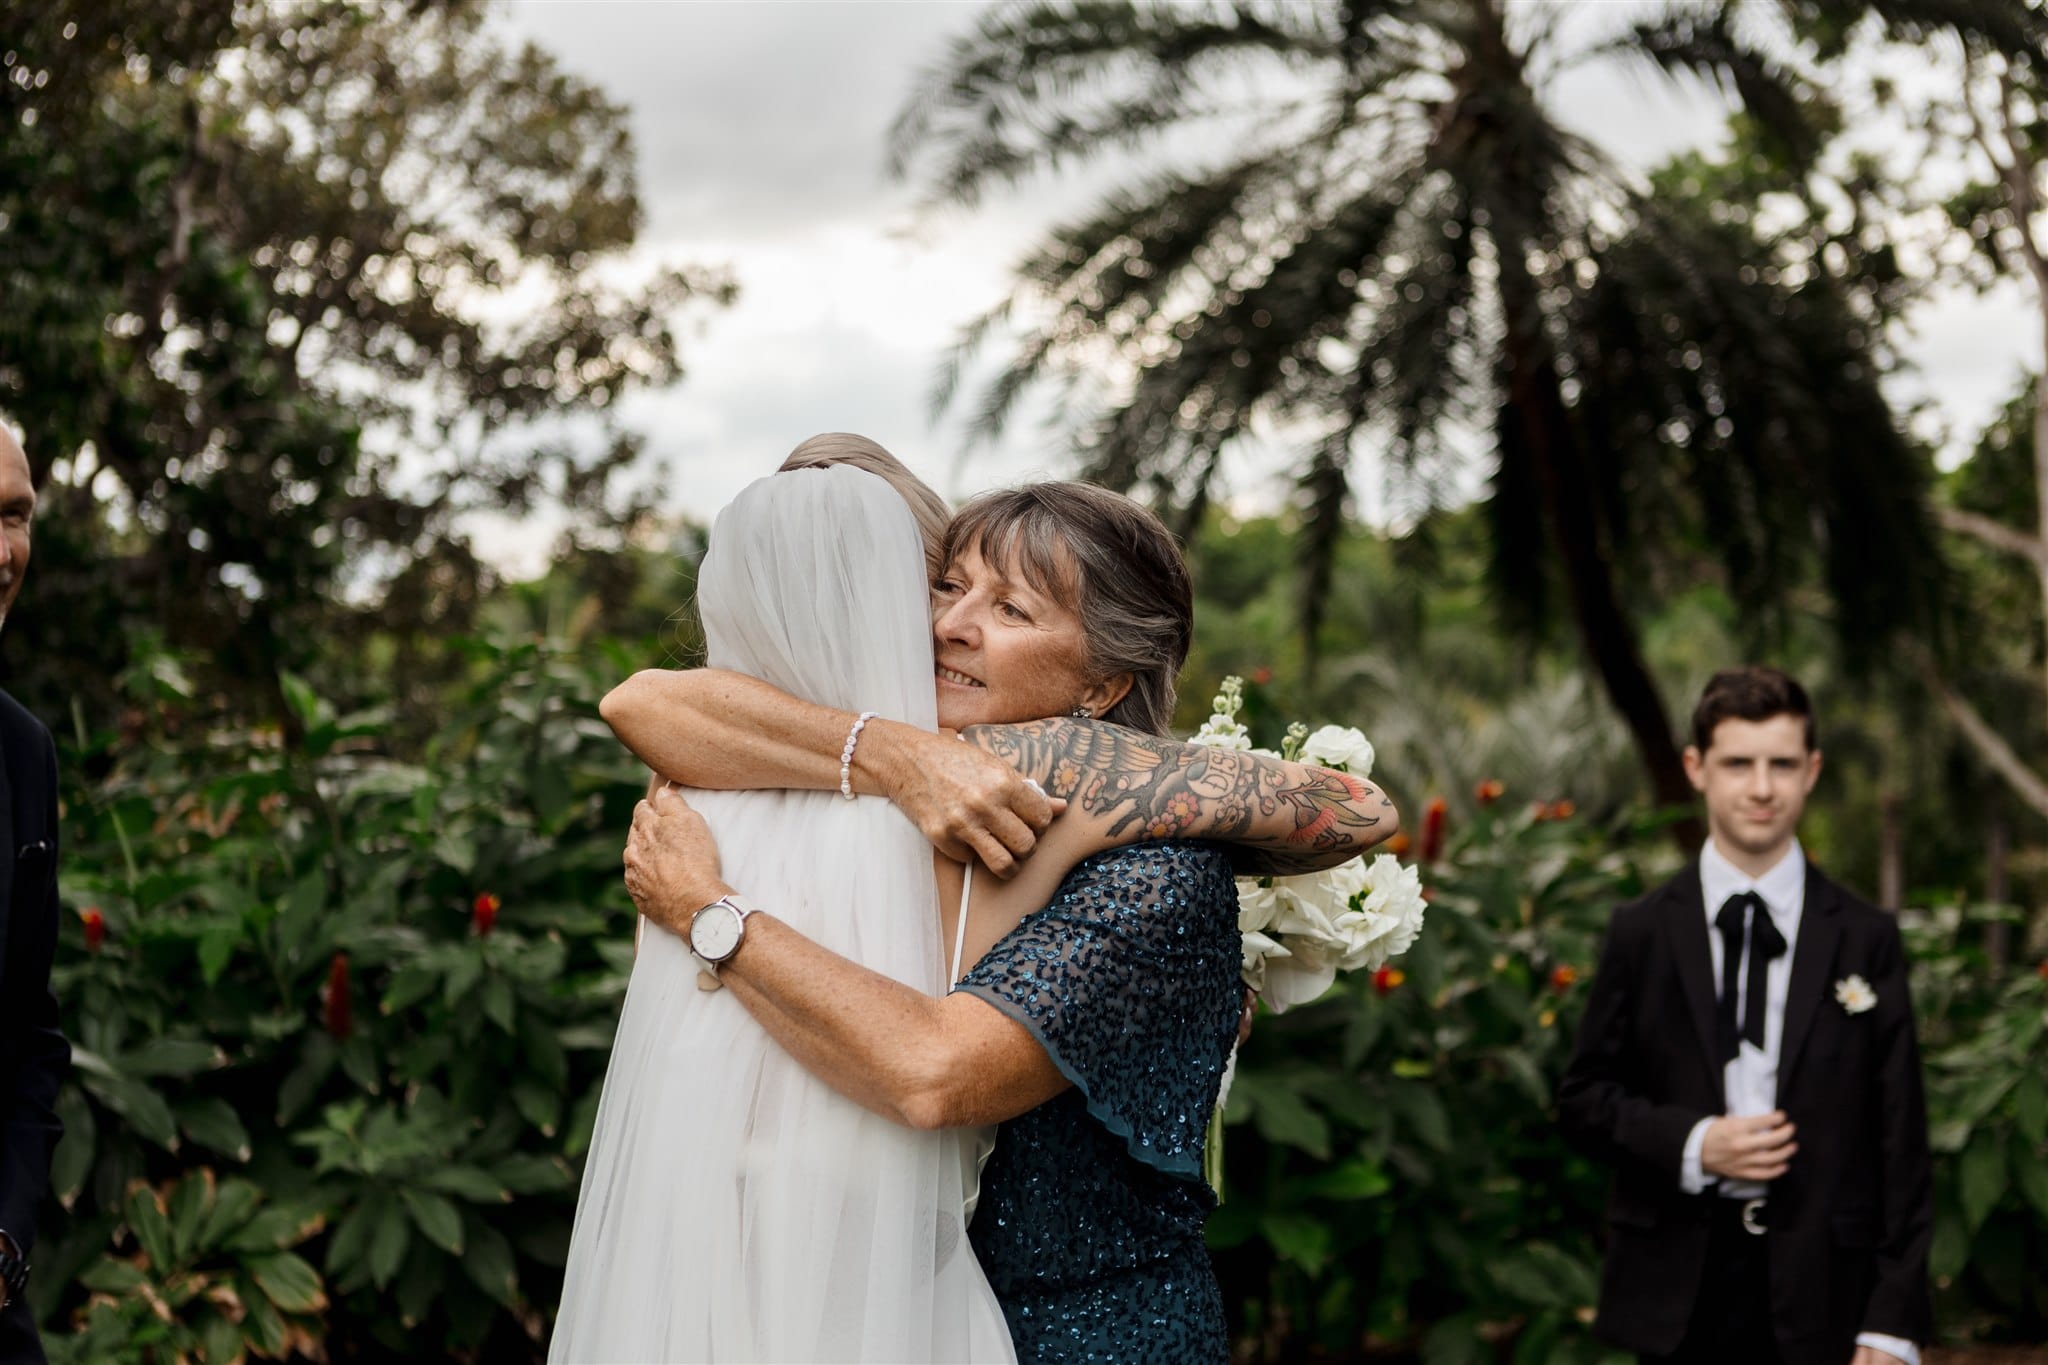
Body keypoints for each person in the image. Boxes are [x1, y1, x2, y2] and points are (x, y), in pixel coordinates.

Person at [556, 463, 1396, 1362]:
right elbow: (638, 702)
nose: (952, 625)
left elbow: (1361, 808)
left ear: (1105, 683)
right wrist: (895, 753)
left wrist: (710, 911)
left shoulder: (1136, 842)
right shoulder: (853, 792)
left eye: (1012, 609)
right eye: (950, 587)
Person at [1557, 667, 1933, 1365]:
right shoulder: (1640, 931)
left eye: (1782, 764)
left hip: (1830, 1290)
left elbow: (1901, 1136)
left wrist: (1892, 1319)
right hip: (1679, 1289)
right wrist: (1696, 1142)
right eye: (1739, 763)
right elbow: (1583, 1100)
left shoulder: (1864, 934)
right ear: (1697, 768)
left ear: (1811, 770)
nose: (1762, 787)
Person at [0, 421, 68, 1365]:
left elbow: (28, 1033)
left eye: (15, 516)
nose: (1, 551)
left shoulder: (24, 753)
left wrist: (6, 1241)